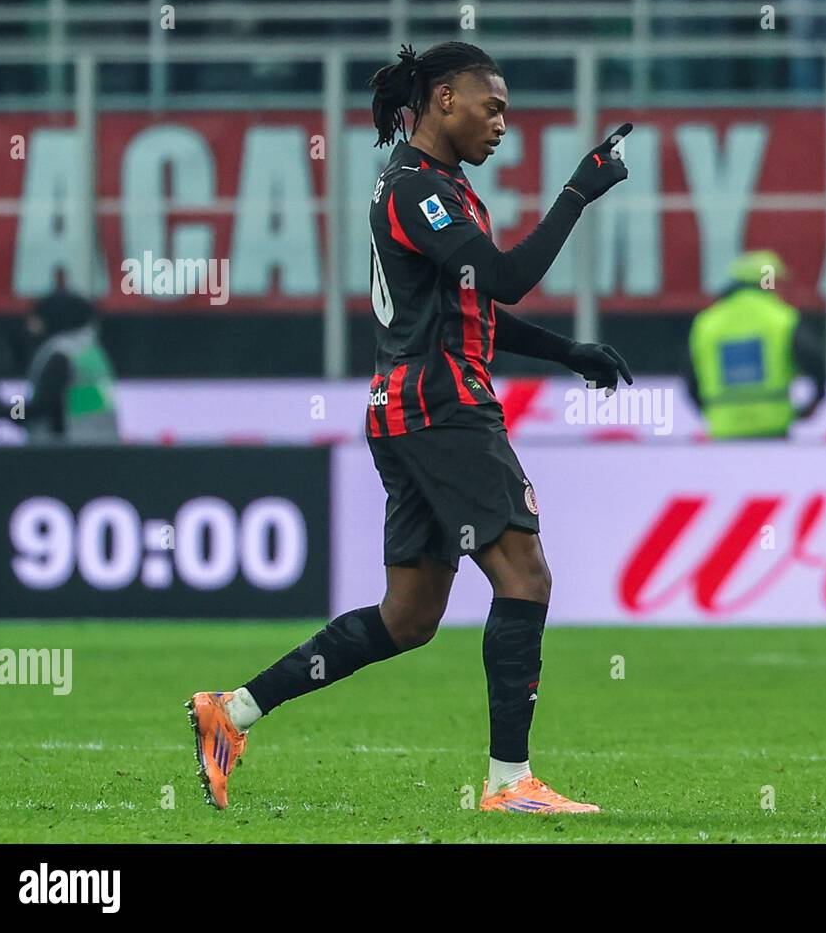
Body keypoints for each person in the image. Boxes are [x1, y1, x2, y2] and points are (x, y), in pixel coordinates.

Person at [187, 41, 634, 815]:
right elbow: (503, 277)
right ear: (443, 101)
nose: (502, 125)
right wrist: (576, 193)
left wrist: (566, 353)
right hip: (442, 406)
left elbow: (474, 304)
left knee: (410, 616)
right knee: (525, 576)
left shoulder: (440, 190)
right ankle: (508, 783)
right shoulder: (417, 191)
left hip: (408, 408)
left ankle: (234, 710)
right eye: (490, 107)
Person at [683, 250, 826, 439]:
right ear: (769, 281)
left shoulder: (706, 323)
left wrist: (712, 411)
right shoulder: (783, 318)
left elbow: (691, 376)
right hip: (773, 425)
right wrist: (815, 400)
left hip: (723, 428)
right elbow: (816, 360)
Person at [0, 289, 119, 444]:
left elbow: (41, 407)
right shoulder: (90, 350)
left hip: (68, 450)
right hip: (102, 443)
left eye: (36, 317)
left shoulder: (61, 355)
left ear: (52, 318)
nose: (30, 325)